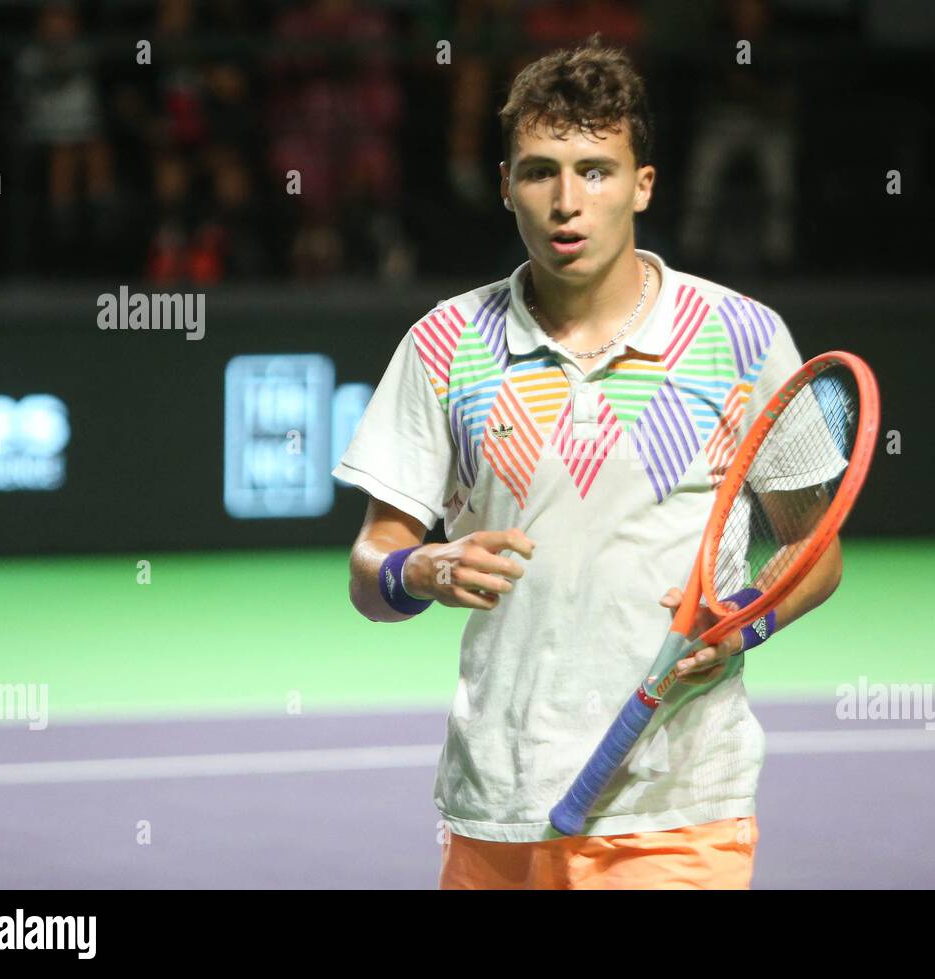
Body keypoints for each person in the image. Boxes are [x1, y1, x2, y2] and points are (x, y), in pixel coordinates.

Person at [334, 34, 843, 890]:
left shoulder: (743, 337)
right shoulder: (444, 343)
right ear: (506, 187)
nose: (567, 200)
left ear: (643, 183)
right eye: (540, 171)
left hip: (676, 803)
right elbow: (369, 569)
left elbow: (815, 549)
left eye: (596, 170)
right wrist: (420, 567)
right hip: (498, 799)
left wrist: (741, 624)